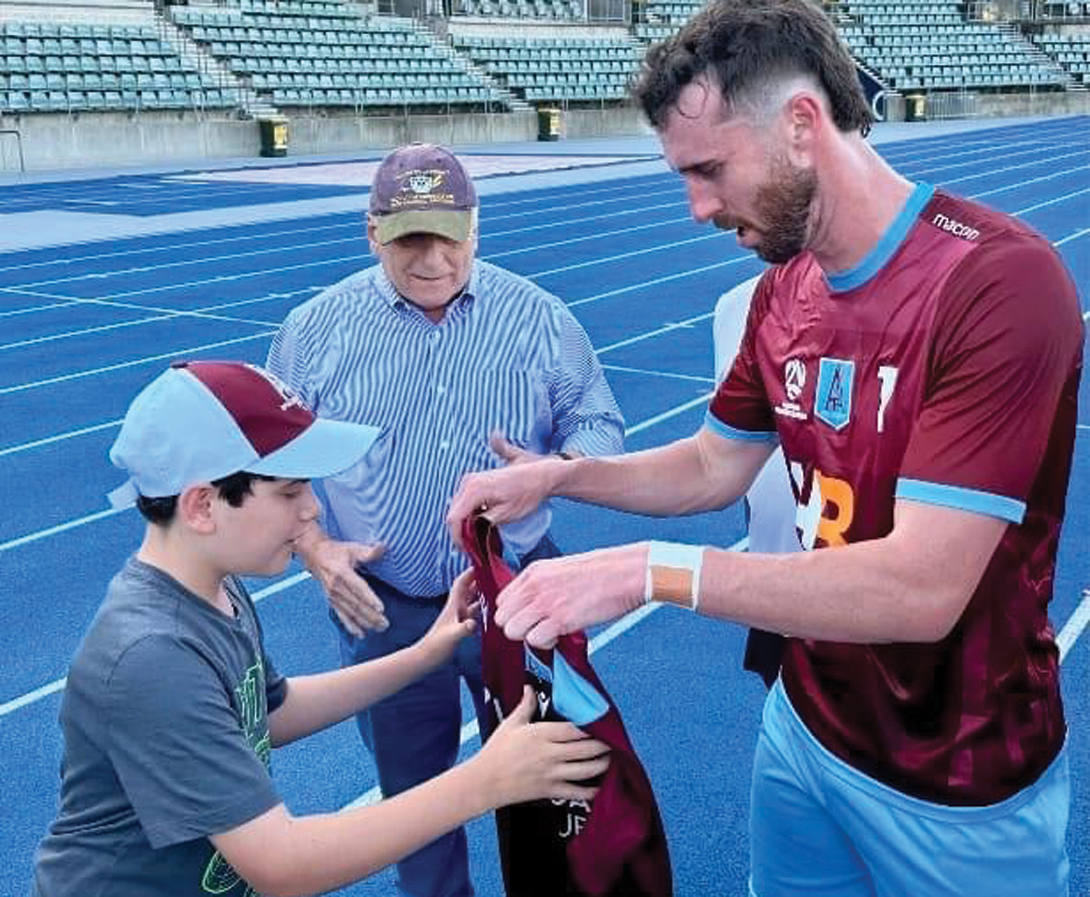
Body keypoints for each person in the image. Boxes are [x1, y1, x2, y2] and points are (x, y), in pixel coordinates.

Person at [446, 2, 1084, 895]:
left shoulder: (996, 282)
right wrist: (564, 476)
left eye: (708, 169)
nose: (696, 206)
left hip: (958, 774)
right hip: (806, 727)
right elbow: (714, 463)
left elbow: (924, 587)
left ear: (800, 124)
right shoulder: (784, 289)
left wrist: (649, 572)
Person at [31, 360, 610, 897]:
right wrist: (485, 781)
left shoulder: (213, 588)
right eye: (290, 491)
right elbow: (282, 863)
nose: (312, 511)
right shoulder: (152, 655)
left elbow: (269, 710)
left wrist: (424, 653)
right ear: (203, 506)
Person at [265, 143, 624, 897]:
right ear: (371, 233)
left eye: (449, 235)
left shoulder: (539, 318)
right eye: (409, 238)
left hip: (517, 593)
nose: (433, 258)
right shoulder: (315, 328)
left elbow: (599, 423)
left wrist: (553, 470)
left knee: (546, 795)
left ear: (477, 225)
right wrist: (316, 548)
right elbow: (273, 463)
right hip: (384, 609)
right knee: (414, 808)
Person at [713, 274, 799, 687]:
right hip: (780, 607)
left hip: (876, 620)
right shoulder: (734, 307)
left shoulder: (936, 303)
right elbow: (724, 463)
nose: (703, 209)